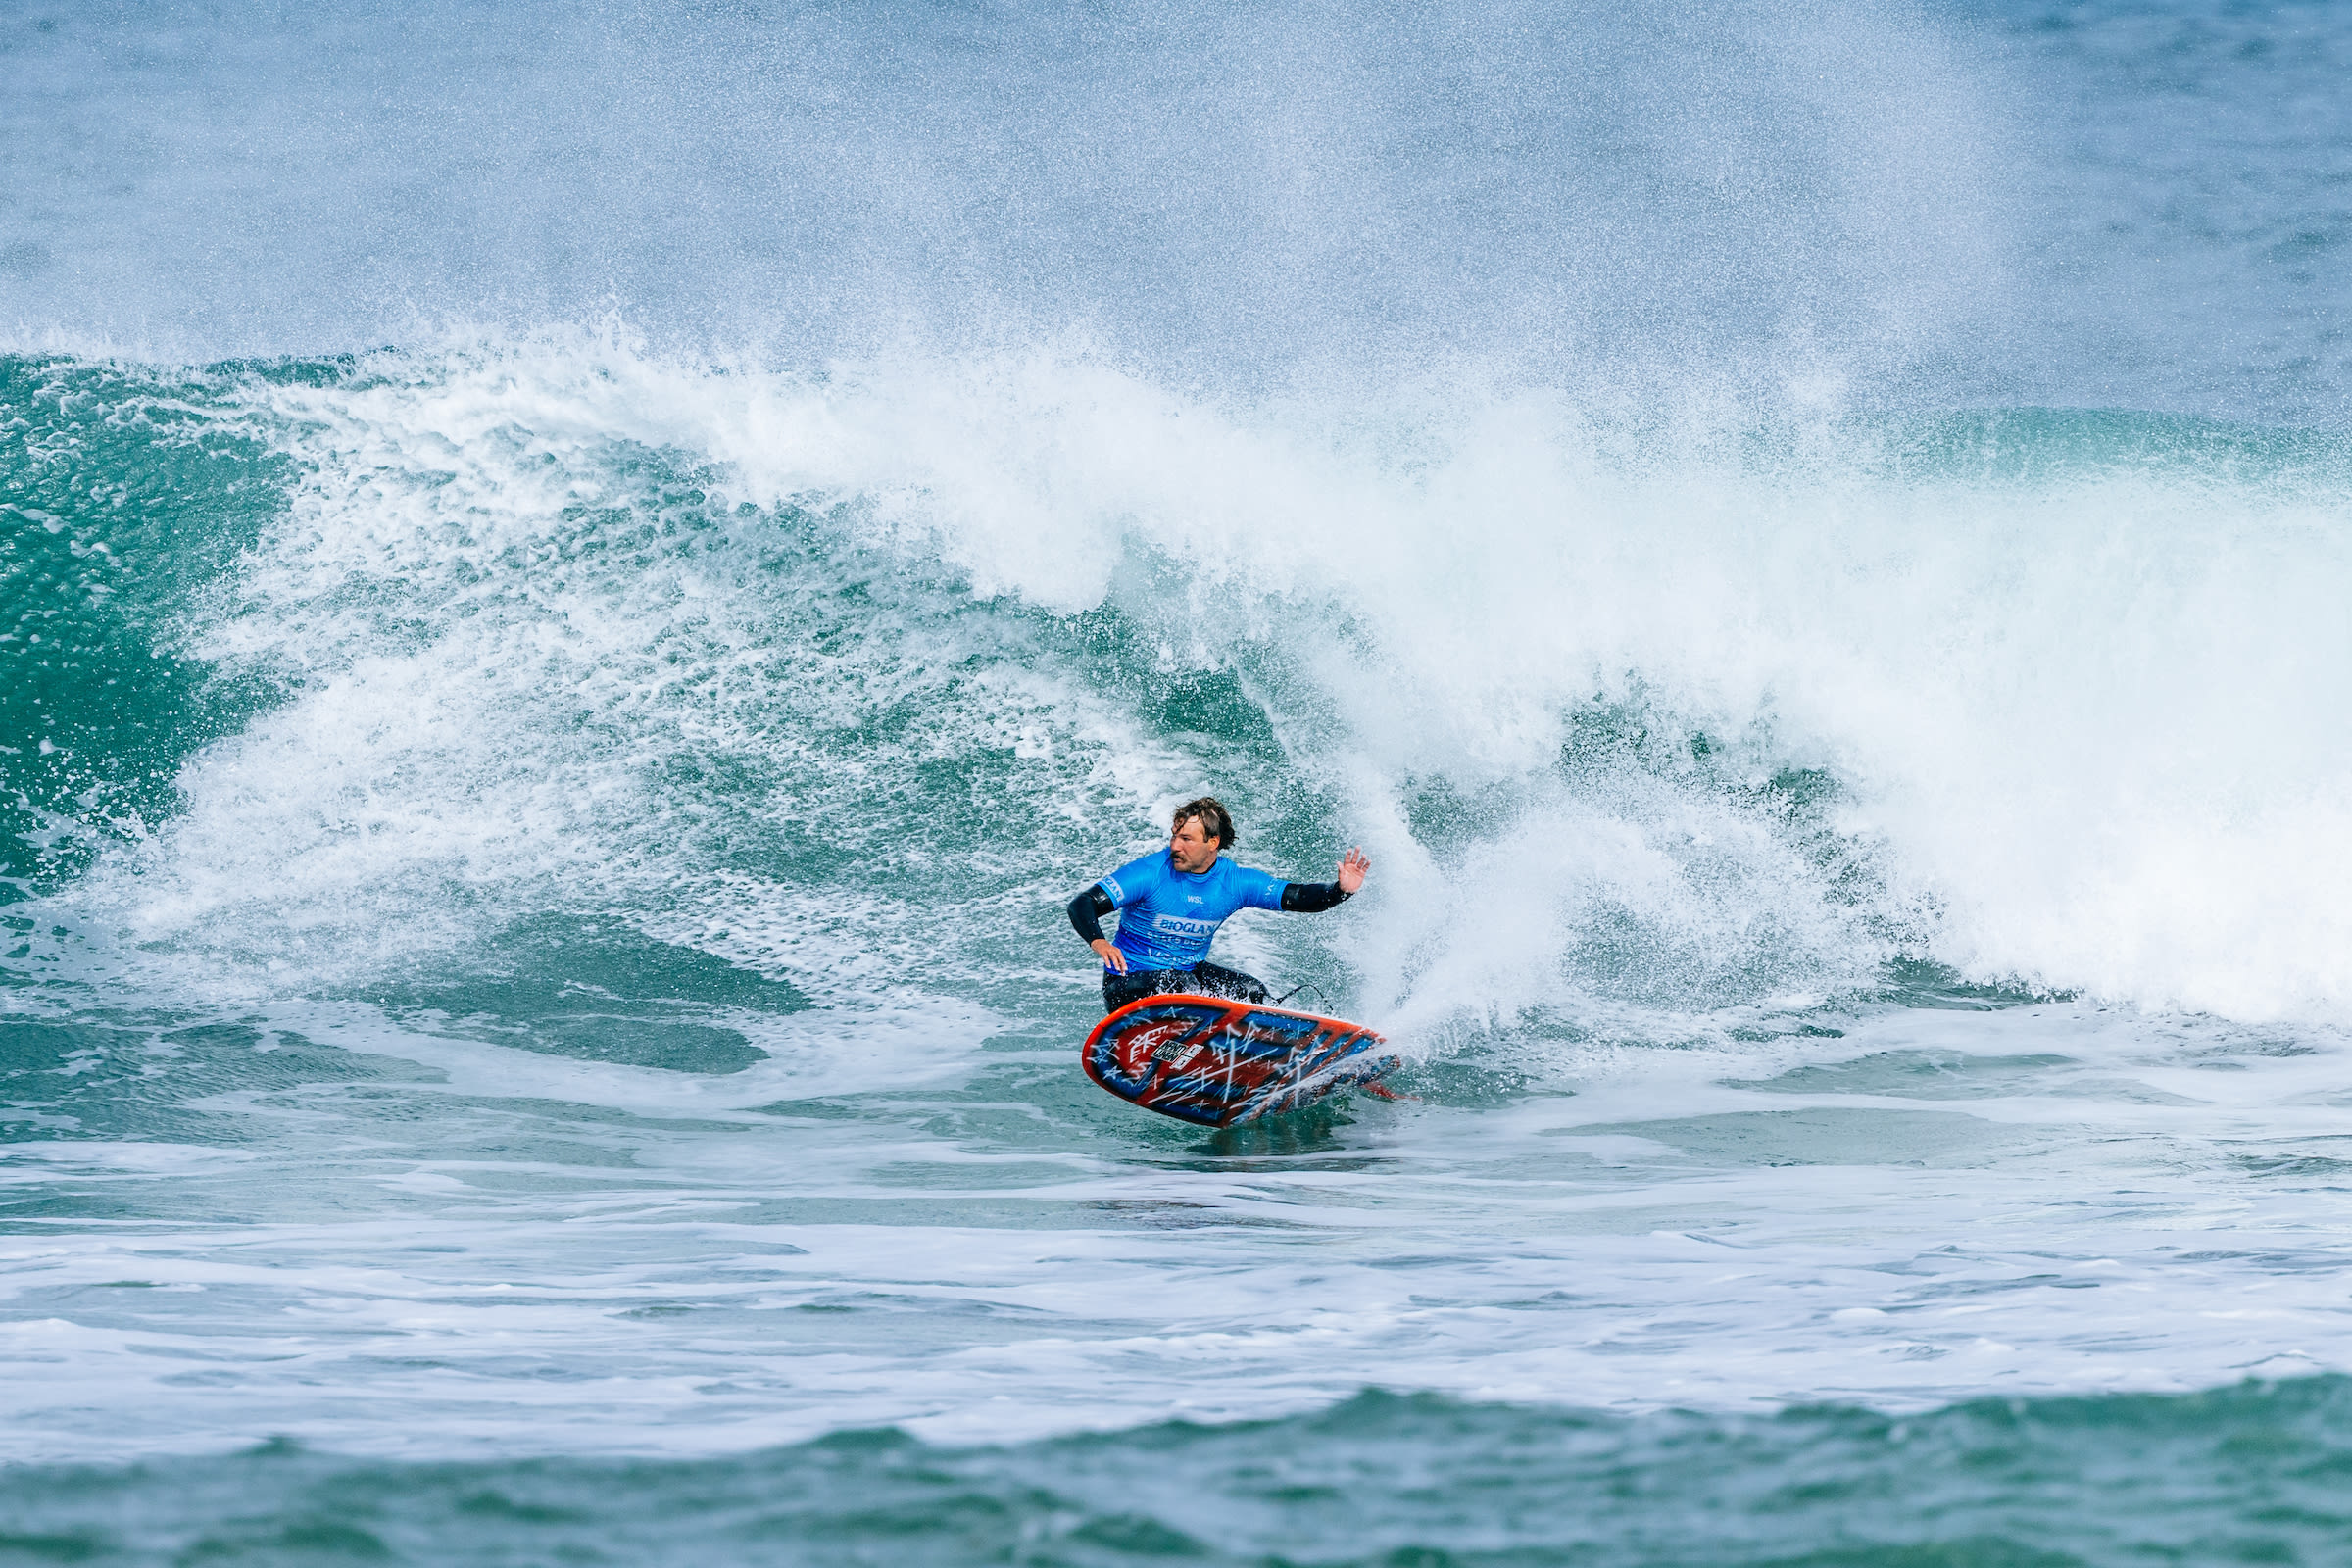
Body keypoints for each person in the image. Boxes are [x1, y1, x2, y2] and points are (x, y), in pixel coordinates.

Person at [1068, 796, 1370, 1013]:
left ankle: (1274, 1057)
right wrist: (1099, 942)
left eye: (1187, 839)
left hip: (1184, 981)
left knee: (1252, 991)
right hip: (1129, 987)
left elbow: (1298, 897)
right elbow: (1082, 904)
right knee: (1179, 982)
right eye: (1175, 837)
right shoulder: (1150, 873)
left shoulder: (1234, 882)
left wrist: (1340, 890)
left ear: (1212, 842)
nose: (1175, 846)